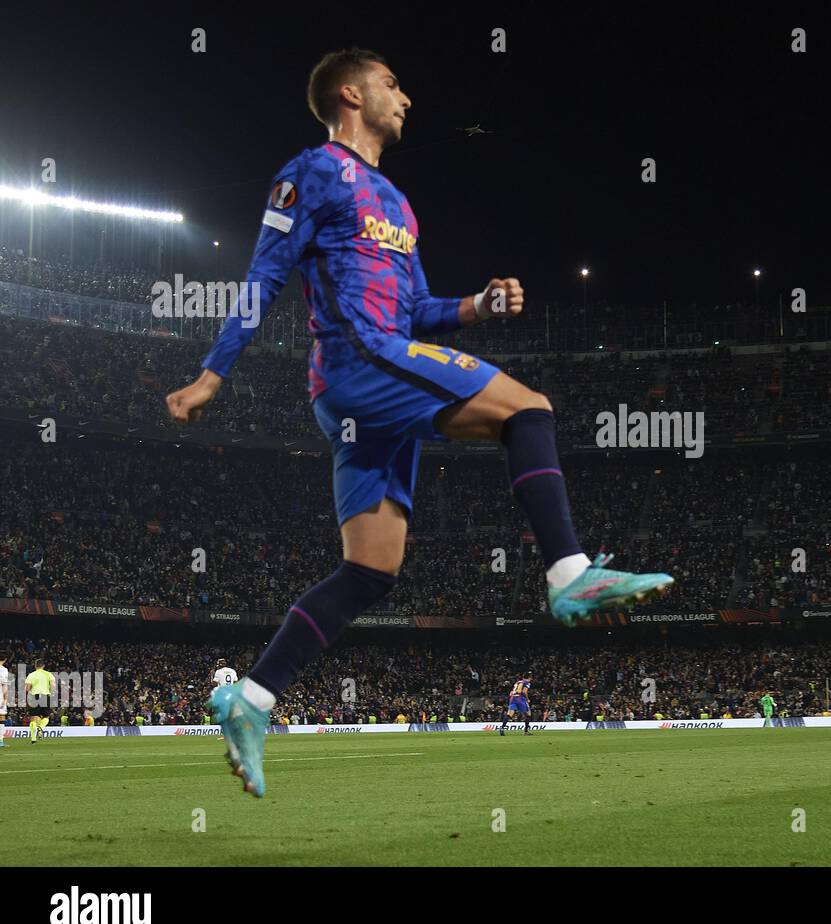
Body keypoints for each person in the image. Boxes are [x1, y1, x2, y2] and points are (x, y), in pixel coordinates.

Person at [166, 48, 674, 797]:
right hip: (359, 366)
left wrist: (476, 307)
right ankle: (569, 576)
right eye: (392, 83)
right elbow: (263, 279)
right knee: (528, 409)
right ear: (349, 92)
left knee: (370, 571)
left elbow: (416, 311)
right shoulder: (310, 173)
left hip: (382, 370)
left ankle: (253, 698)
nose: (406, 96)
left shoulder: (398, 205)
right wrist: (214, 372)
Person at [24, 660, 54, 744]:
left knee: (33, 718)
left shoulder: (31, 675)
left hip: (34, 696)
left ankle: (33, 739)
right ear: (43, 666)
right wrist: (51, 693)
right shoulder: (49, 674)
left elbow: (27, 688)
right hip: (45, 695)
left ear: (35, 666)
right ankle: (41, 726)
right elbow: (53, 686)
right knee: (46, 717)